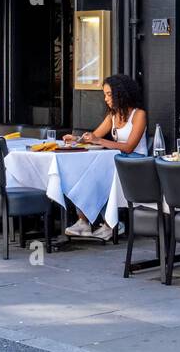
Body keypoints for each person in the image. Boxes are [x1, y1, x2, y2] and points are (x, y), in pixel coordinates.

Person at [63, 74, 147, 241]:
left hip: (137, 163)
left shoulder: (139, 115)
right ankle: (84, 220)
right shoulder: (112, 116)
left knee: (102, 173)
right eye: (105, 94)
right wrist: (76, 140)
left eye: (109, 94)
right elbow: (94, 136)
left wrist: (100, 141)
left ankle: (111, 223)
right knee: (87, 172)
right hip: (117, 160)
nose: (106, 98)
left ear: (120, 94)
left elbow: (130, 147)